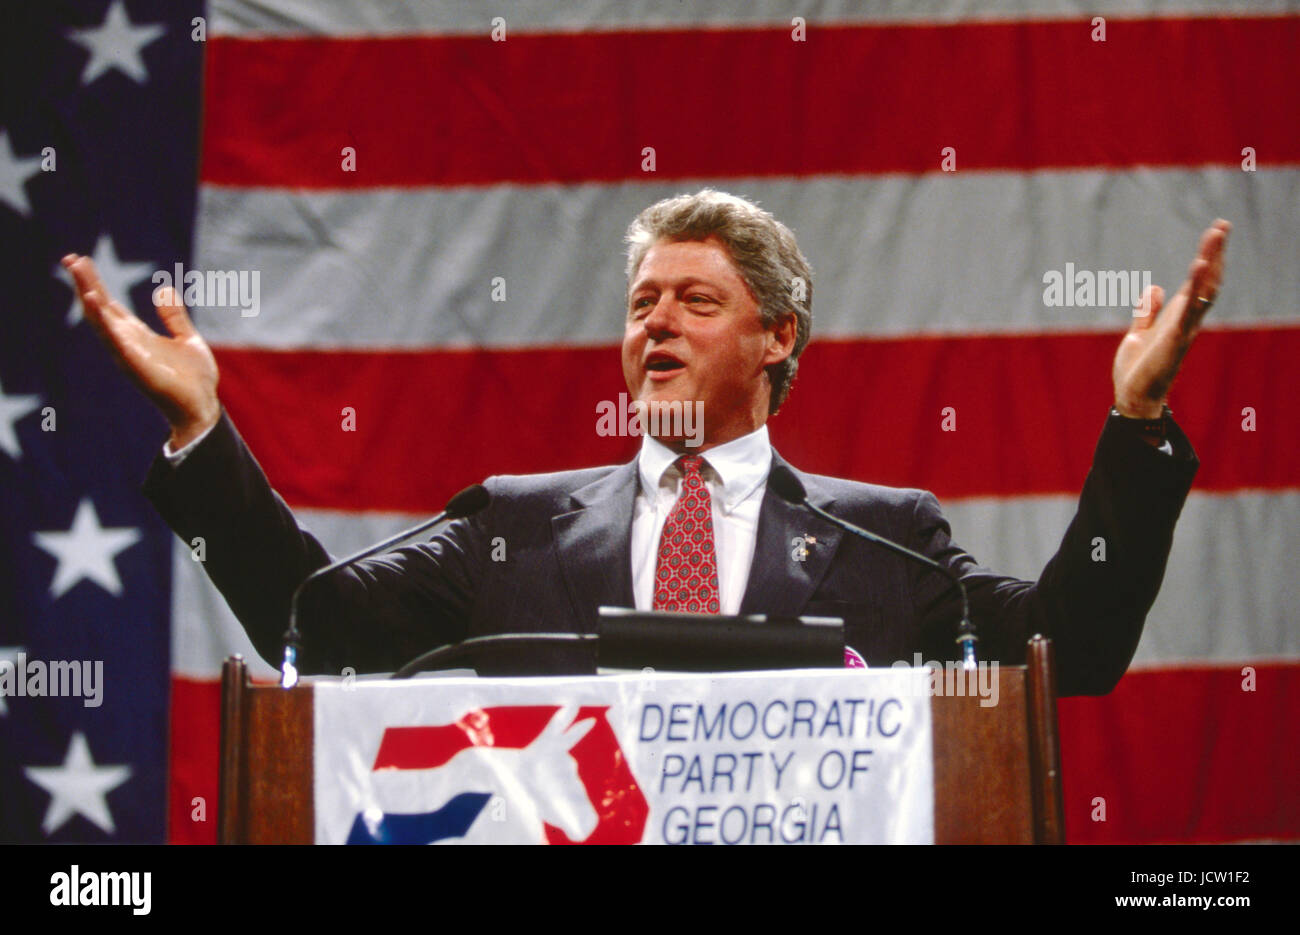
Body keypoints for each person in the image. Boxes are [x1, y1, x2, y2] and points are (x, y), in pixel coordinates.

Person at [64, 190, 1230, 696]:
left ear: (777, 336)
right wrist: (201, 429)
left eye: (694, 301)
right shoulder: (514, 524)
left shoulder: (884, 538)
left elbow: (1068, 649)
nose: (654, 323)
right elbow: (308, 625)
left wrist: (1133, 423)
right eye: (639, 304)